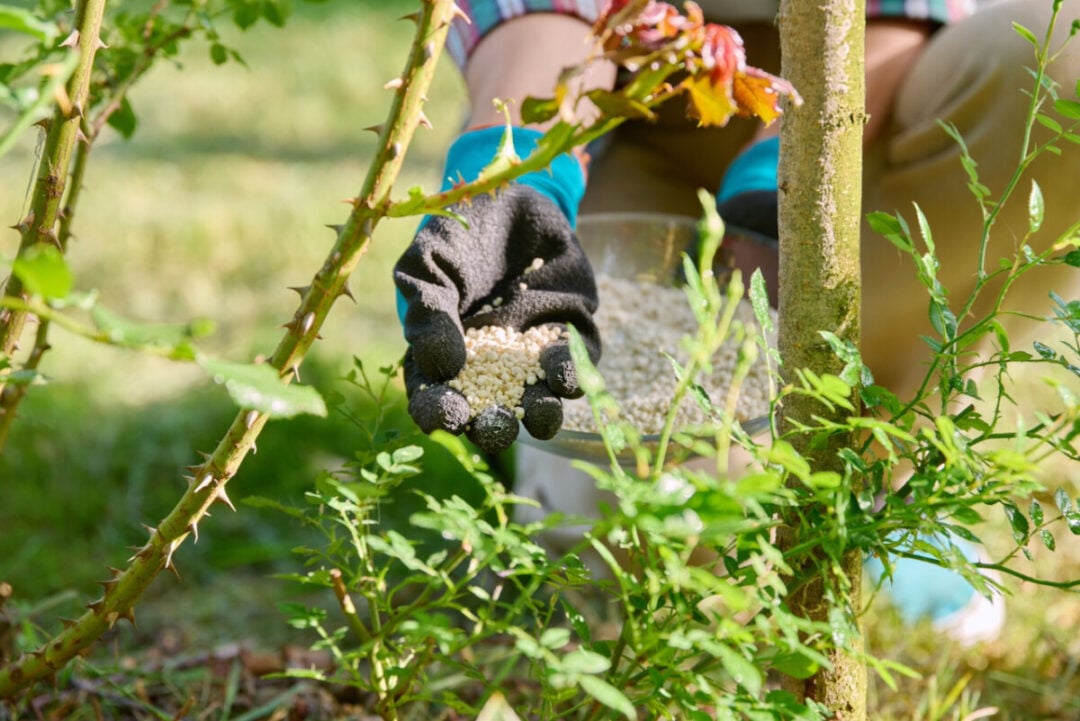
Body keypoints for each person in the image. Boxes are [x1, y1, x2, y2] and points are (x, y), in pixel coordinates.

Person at [394, 1, 1080, 644]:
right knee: (630, 554)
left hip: (878, 95)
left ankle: (873, 472)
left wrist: (785, 169)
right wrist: (512, 171)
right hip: (623, 119)